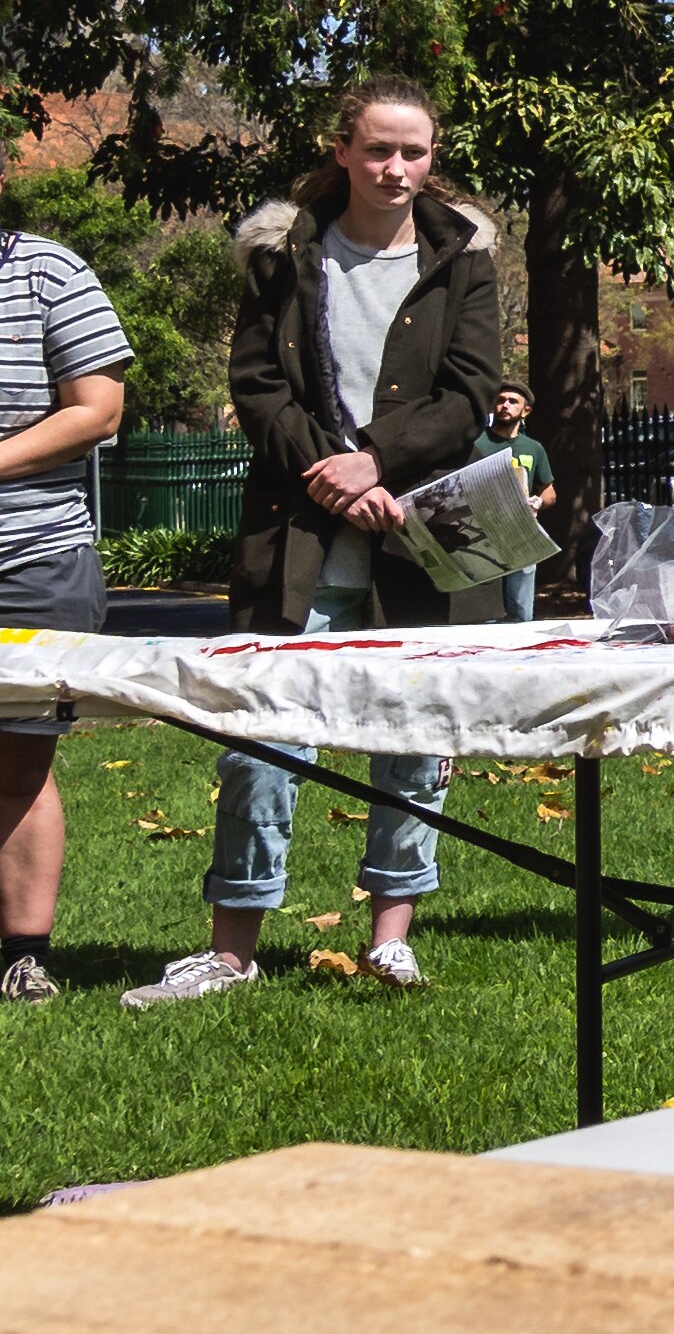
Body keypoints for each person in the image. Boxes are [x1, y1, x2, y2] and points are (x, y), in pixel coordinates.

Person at [141, 75, 506, 1009]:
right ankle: (231, 949)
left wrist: (379, 462)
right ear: (341, 149)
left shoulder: (463, 255)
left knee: (414, 742)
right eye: (378, 149)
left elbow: (469, 392)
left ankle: (392, 939)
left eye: (413, 151)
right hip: (297, 535)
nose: (395, 168)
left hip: (416, 536)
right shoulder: (282, 252)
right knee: (260, 738)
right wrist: (333, 474)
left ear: (433, 157)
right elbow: (257, 386)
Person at [0, 215, 130, 1002]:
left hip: (31, 560)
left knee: (17, 764)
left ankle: (20, 954)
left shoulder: (47, 271)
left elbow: (98, 409)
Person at [474, 383, 556, 622]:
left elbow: (550, 491)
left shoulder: (533, 448)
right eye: (500, 400)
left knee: (521, 611)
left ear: (525, 411)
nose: (505, 406)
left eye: (512, 401)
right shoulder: (478, 443)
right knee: (486, 606)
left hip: (521, 530)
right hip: (483, 529)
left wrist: (538, 502)